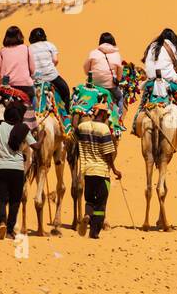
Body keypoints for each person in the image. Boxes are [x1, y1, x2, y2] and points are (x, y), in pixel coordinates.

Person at [75, 103, 121, 239]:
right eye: (106, 115)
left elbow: (74, 140)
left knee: (89, 199)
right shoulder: (104, 129)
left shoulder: (82, 127)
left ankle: (87, 214)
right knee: (100, 205)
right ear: (102, 114)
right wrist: (115, 170)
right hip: (102, 172)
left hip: (87, 171)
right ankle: (94, 233)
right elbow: (108, 154)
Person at [0, 101, 34, 239]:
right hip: (17, 169)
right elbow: (37, 146)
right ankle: (10, 230)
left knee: (1, 199)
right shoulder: (23, 129)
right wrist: (43, 136)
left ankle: (2, 222)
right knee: (15, 200)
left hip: (1, 167)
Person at [142, 28, 177, 113]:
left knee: (142, 104)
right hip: (167, 82)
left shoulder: (152, 46)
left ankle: (136, 120)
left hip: (151, 82)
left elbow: (147, 64)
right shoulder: (173, 47)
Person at [29, 27, 70, 111]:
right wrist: (49, 67)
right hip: (51, 76)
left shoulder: (28, 48)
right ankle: (66, 113)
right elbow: (55, 60)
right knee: (65, 90)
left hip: (36, 77)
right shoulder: (49, 44)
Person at [84, 32, 125, 113]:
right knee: (120, 97)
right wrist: (117, 80)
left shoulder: (93, 53)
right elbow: (119, 71)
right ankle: (119, 118)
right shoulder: (116, 54)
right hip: (109, 85)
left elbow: (86, 68)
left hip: (94, 84)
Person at [0, 25, 35, 102]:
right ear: (20, 36)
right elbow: (32, 69)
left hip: (7, 86)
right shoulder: (26, 48)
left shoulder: (2, 51)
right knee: (33, 105)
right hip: (26, 85)